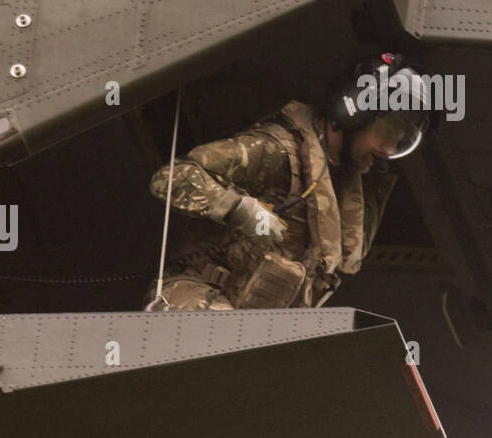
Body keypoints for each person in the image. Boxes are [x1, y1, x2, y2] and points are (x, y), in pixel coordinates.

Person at [145, 53, 433, 310]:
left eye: (400, 141)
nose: (389, 151)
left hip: (251, 327)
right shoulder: (280, 151)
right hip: (193, 298)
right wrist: (236, 208)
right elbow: (172, 177)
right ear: (356, 110)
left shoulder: (348, 188)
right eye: (387, 132)